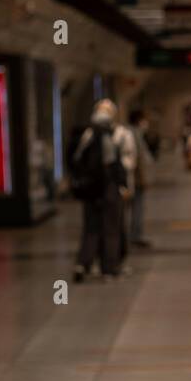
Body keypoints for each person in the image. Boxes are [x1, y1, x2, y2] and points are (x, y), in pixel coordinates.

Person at [70, 99, 132, 282]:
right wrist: (125, 186)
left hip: (91, 189)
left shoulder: (88, 134)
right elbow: (126, 163)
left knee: (90, 228)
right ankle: (109, 267)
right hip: (111, 189)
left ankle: (83, 263)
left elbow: (77, 159)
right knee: (112, 228)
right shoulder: (120, 134)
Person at [127, 108, 154, 249]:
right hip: (135, 179)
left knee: (131, 208)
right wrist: (142, 178)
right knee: (137, 207)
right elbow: (139, 158)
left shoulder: (128, 132)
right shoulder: (135, 134)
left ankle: (132, 234)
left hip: (130, 178)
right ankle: (135, 235)